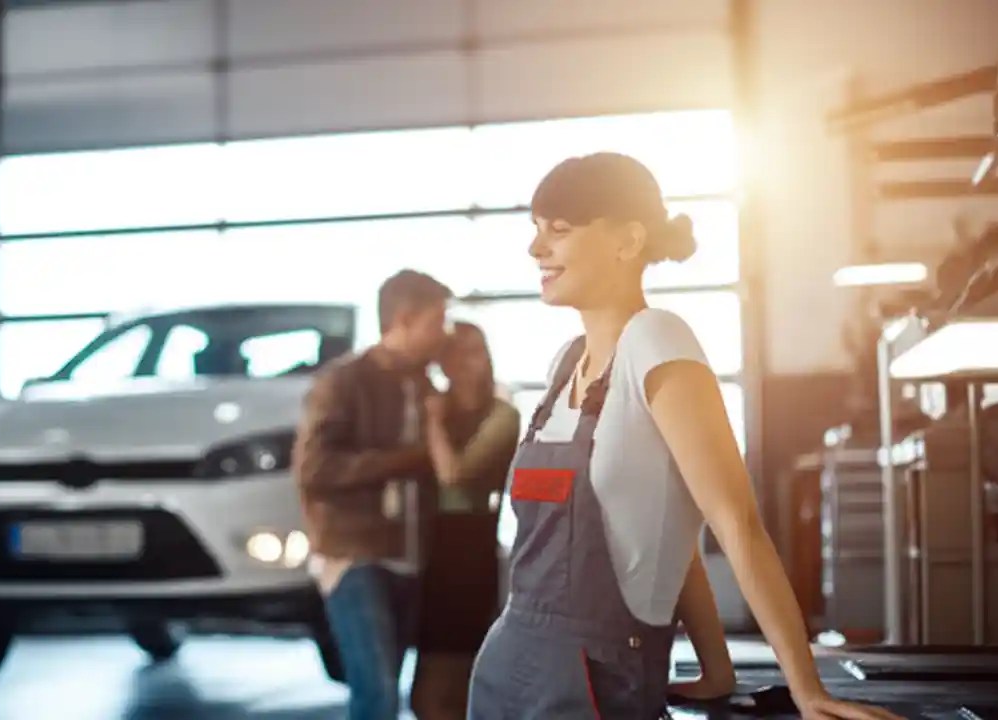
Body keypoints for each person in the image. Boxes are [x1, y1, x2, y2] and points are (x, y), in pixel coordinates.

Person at [466, 153, 902, 720]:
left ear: (627, 241)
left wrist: (807, 690)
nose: (536, 248)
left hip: (593, 682)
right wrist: (716, 669)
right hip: (504, 667)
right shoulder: (564, 365)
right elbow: (665, 535)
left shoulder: (656, 339)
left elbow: (736, 522)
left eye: (560, 229)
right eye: (536, 228)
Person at [293, 269, 451, 720]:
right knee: (375, 691)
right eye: (435, 322)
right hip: (354, 554)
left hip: (409, 554)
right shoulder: (342, 382)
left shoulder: (424, 384)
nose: (442, 334)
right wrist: (410, 458)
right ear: (403, 320)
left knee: (385, 688)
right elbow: (315, 469)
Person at [411, 322, 521, 720]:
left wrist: (433, 423)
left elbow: (454, 474)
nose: (466, 362)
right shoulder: (435, 404)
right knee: (426, 682)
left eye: (474, 351)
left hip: (469, 546)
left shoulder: (501, 414)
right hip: (426, 545)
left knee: (459, 673)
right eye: (455, 353)